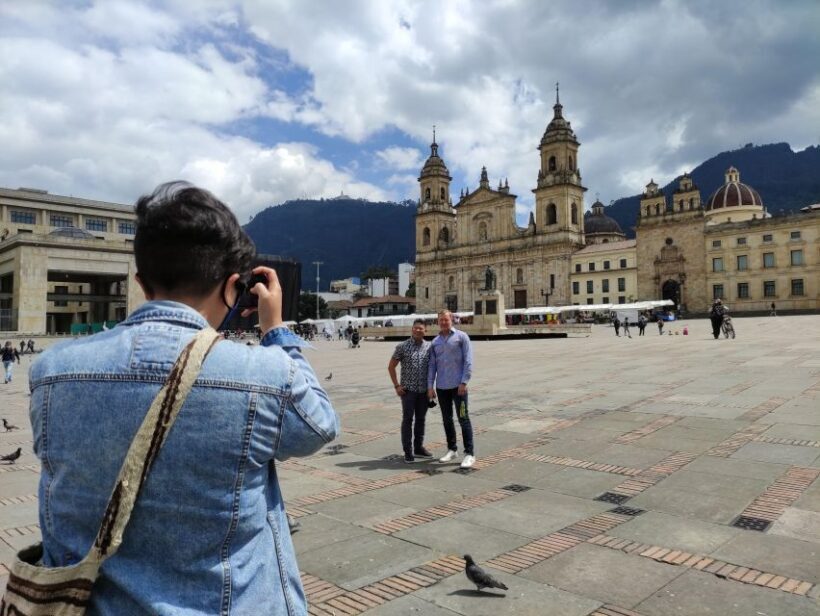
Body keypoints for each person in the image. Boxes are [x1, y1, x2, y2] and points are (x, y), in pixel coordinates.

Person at [28, 182, 339, 615]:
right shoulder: (263, 373)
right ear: (234, 286)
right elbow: (319, 425)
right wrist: (276, 331)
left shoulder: (51, 370)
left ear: (139, 280)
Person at [427, 309, 475, 469]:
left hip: (458, 387)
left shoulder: (461, 337)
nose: (443, 322)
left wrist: (464, 382)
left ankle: (469, 453)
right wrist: (430, 386)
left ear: (451, 320)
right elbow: (432, 366)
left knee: (463, 418)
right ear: (438, 322)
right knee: (447, 419)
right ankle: (452, 449)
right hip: (442, 388)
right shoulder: (435, 342)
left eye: (446, 320)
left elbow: (468, 361)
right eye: (441, 320)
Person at [388, 319, 434, 463]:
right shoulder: (402, 346)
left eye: (420, 328)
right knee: (407, 420)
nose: (417, 330)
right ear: (412, 329)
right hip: (408, 391)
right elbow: (391, 367)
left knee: (421, 419)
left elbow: (432, 369)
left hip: (423, 391)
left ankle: (418, 447)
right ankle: (408, 451)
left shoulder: (429, 347)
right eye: (415, 328)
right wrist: (397, 386)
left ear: (425, 330)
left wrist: (431, 388)